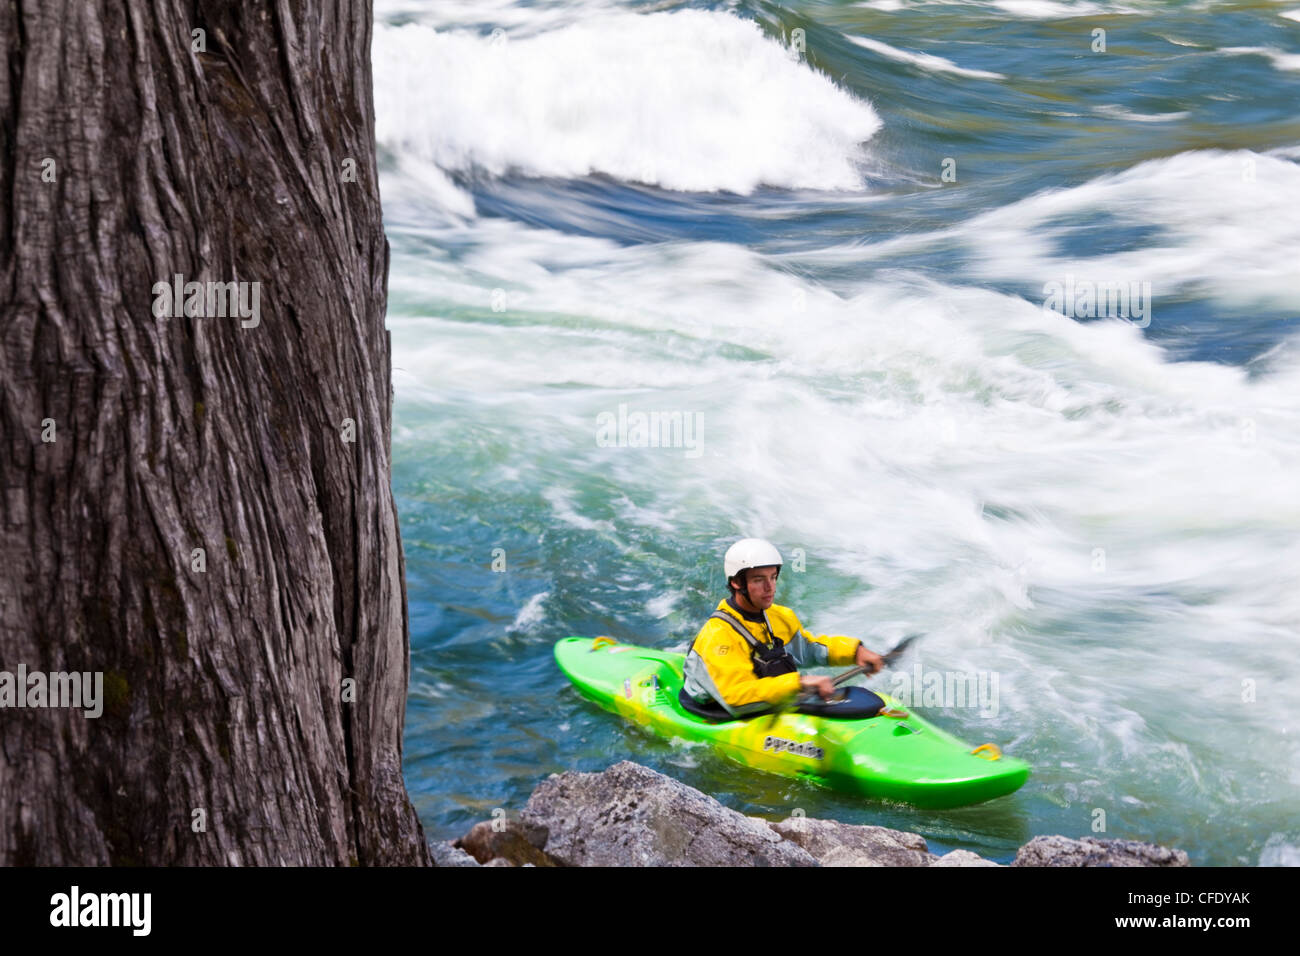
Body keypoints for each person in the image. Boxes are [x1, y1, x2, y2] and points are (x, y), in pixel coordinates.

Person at [681, 538, 885, 719]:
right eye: (759, 580)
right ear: (736, 583)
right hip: (719, 707)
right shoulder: (718, 636)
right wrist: (799, 683)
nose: (770, 587)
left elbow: (810, 649)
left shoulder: (780, 616)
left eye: (773, 577)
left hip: (766, 694)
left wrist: (855, 651)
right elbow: (736, 698)